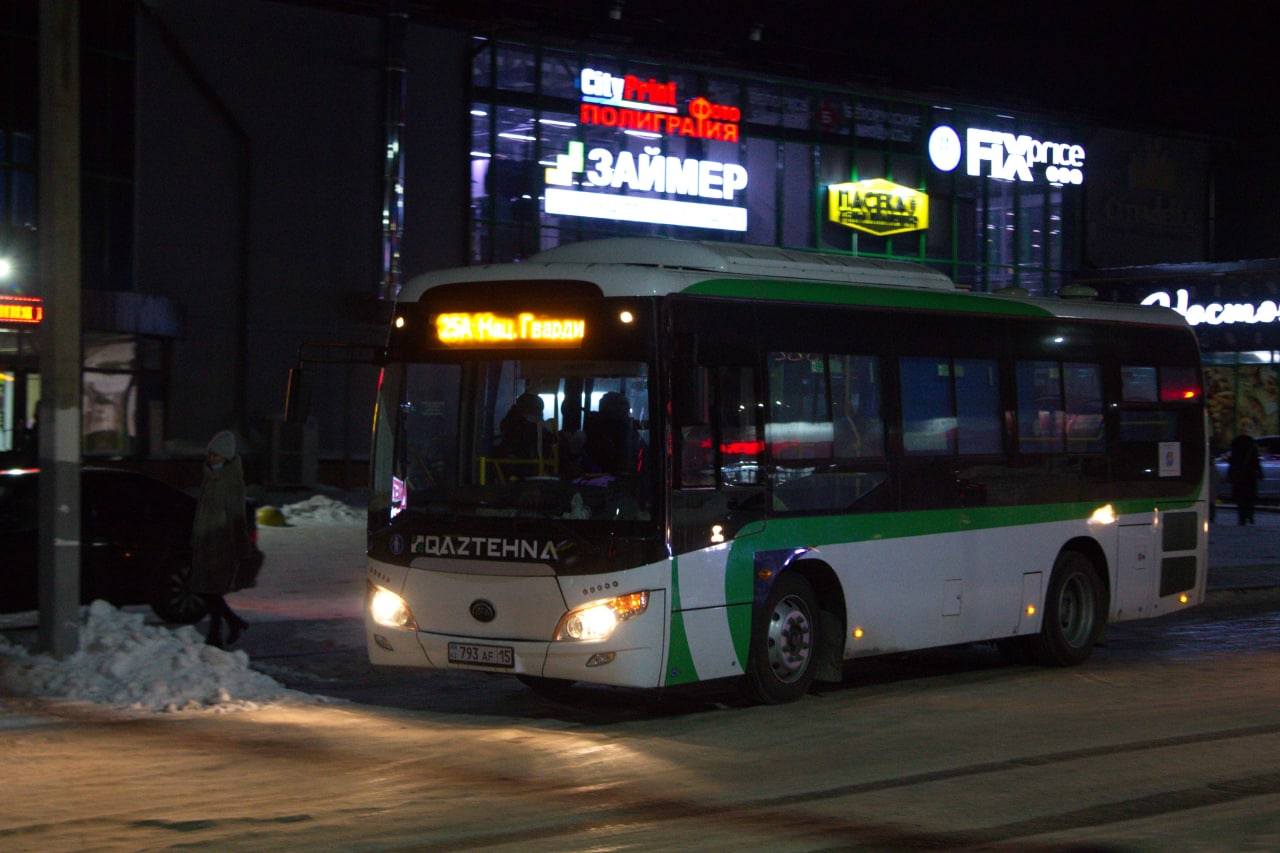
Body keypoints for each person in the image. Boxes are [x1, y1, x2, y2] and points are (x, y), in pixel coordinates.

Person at [191, 430, 250, 647]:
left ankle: (216, 635)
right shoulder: (211, 477)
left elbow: (237, 515)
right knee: (206, 589)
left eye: (216, 455)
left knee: (210, 590)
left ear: (226, 456)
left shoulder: (230, 482)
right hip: (206, 541)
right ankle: (233, 623)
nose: (211, 458)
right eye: (210, 454)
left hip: (221, 543)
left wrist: (241, 545)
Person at [1228, 433, 1263, 526]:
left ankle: (1242, 517)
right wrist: (1260, 473)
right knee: (1249, 498)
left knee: (1241, 499)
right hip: (1250, 477)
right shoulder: (1252, 450)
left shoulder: (1235, 450)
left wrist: (1230, 476)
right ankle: (1250, 515)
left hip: (1239, 477)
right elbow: (1256, 462)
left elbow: (1232, 464)